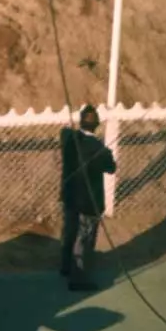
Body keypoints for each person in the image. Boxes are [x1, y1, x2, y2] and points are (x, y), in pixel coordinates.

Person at [60, 104, 117, 290]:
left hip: (70, 196)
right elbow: (111, 167)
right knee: (84, 238)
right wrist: (104, 149)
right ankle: (79, 279)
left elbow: (65, 131)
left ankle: (66, 268)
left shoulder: (69, 139)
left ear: (81, 122)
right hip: (89, 200)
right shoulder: (98, 149)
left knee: (70, 232)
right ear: (97, 125)